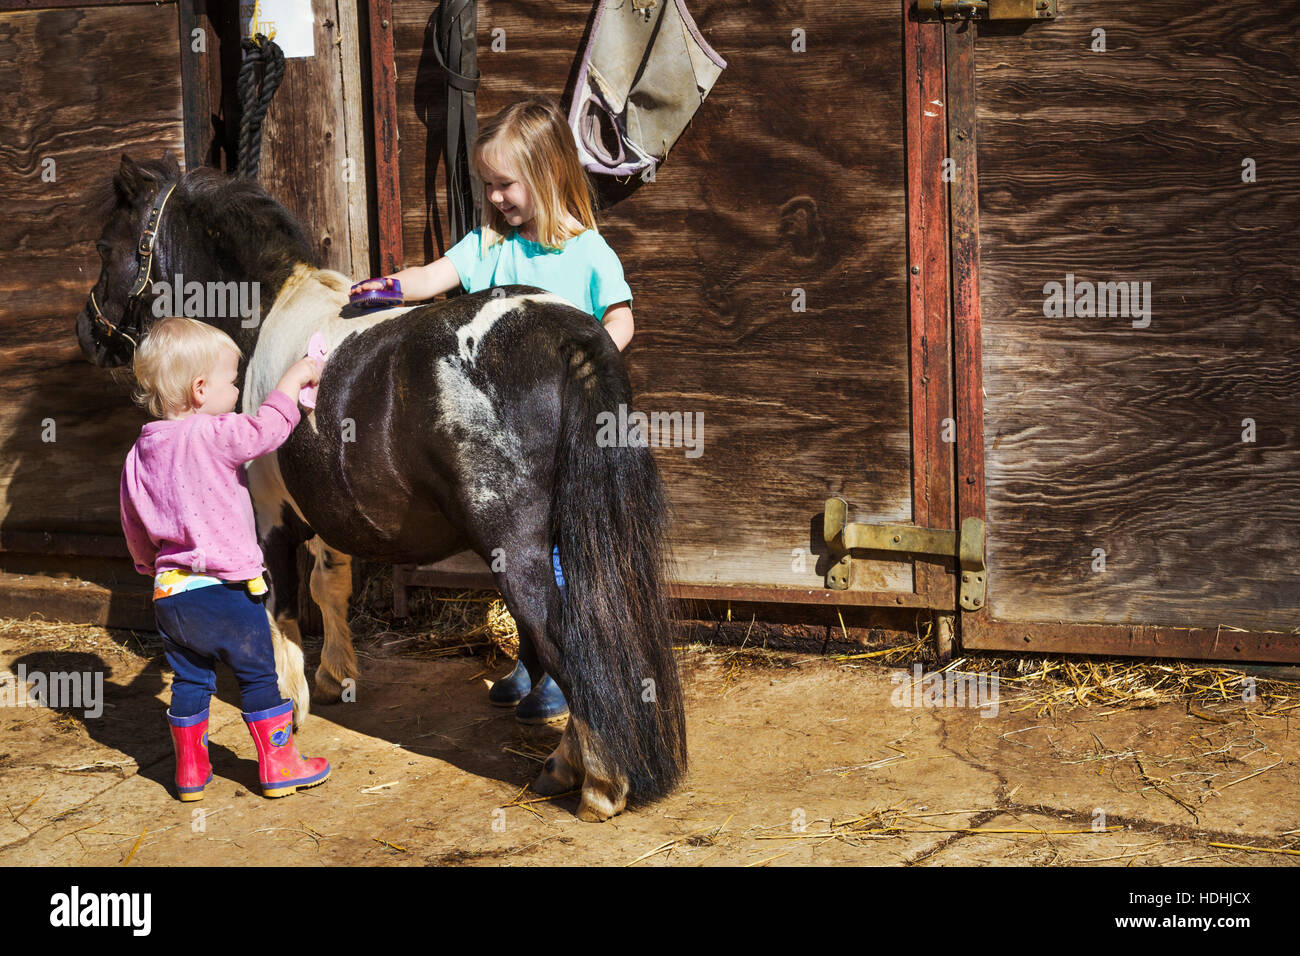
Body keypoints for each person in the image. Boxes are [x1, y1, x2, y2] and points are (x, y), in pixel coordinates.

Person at [349, 95, 636, 724]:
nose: (497, 197)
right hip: (500, 444)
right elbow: (433, 277)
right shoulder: (488, 246)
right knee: (516, 555)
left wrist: (589, 361)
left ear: (549, 174)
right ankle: (535, 660)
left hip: (561, 431)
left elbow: (620, 316)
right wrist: (388, 288)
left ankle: (565, 665)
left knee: (558, 555)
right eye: (489, 185)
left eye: (506, 184)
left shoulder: (587, 253)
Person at [120, 316, 331, 801]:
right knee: (258, 675)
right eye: (232, 382)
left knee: (190, 680)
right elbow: (267, 430)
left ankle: (191, 772)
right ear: (199, 390)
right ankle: (279, 764)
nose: (237, 392)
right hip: (228, 593)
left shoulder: (139, 452)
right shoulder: (213, 433)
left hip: (171, 597)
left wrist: (147, 568)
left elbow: (134, 525)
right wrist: (292, 380)